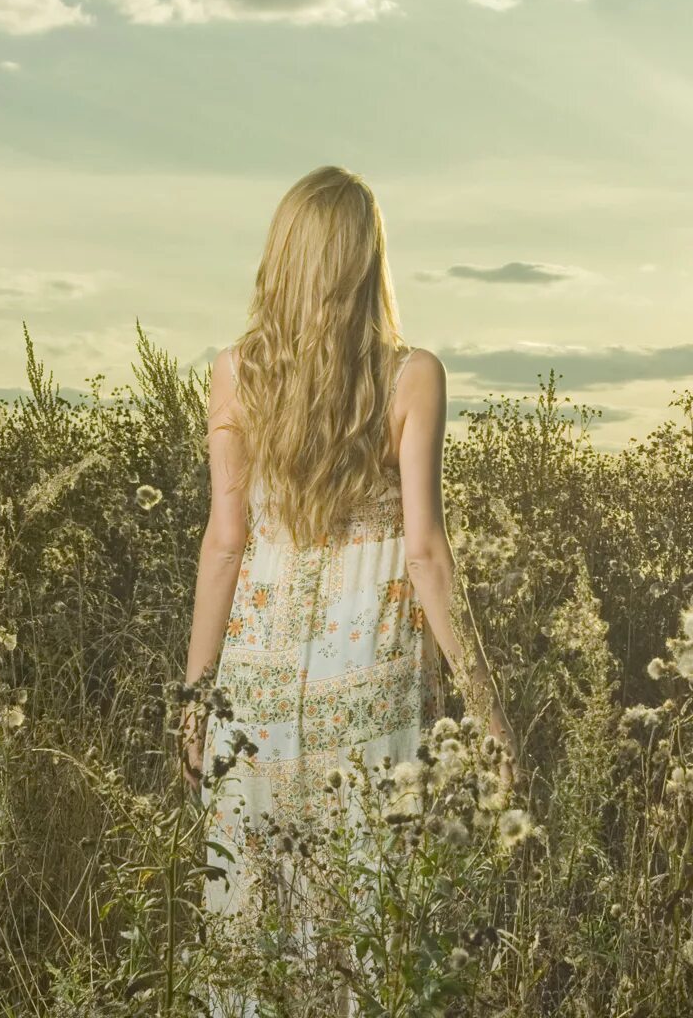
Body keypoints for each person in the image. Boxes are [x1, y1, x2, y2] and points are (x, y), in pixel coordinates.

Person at [176, 164, 522, 992]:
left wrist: (194, 700)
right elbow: (428, 553)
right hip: (368, 671)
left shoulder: (235, 374)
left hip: (254, 681)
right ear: (368, 259)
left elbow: (224, 543)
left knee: (253, 926)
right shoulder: (412, 376)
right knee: (374, 920)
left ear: (283, 256)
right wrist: (487, 705)